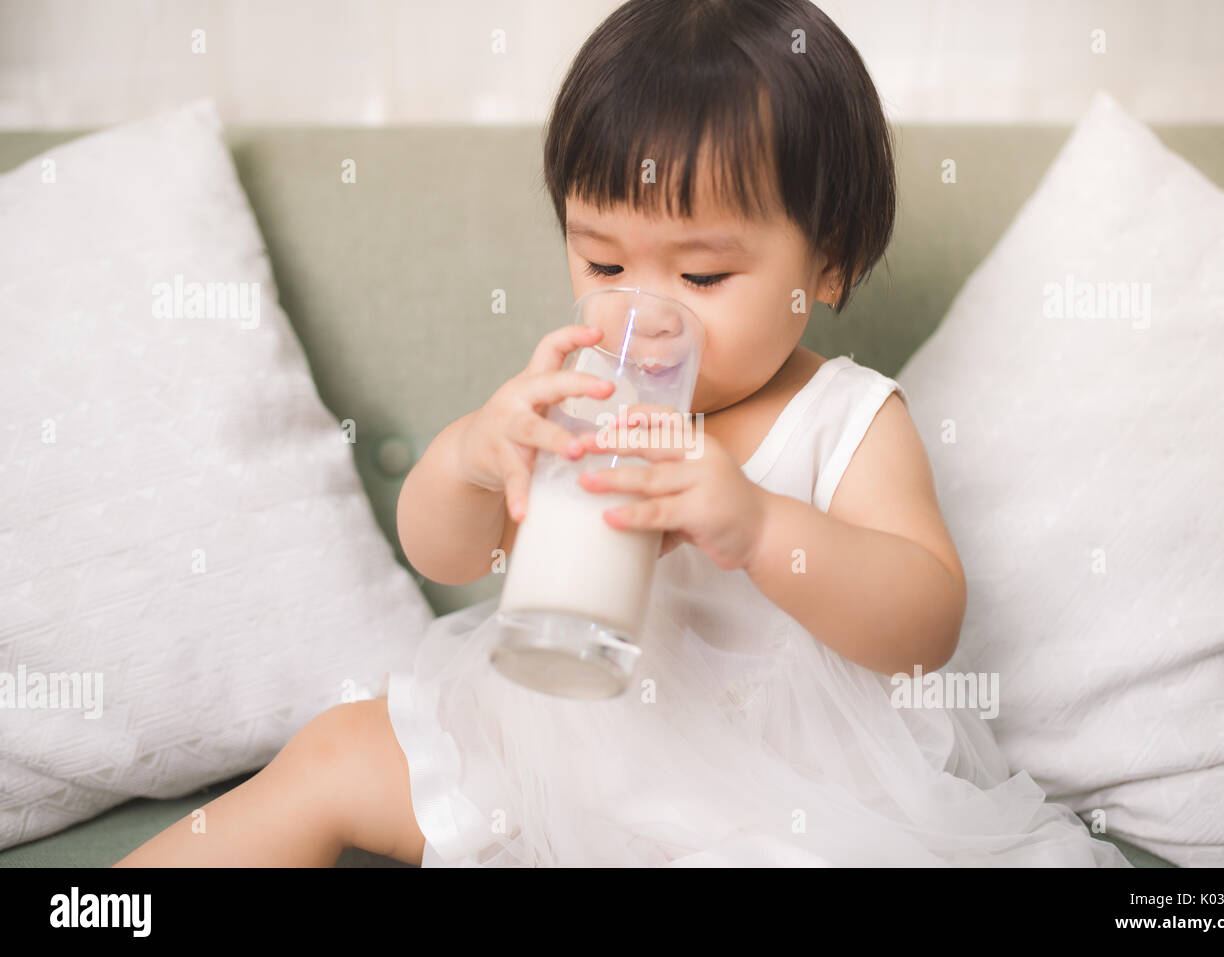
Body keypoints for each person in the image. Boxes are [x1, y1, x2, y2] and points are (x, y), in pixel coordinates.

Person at [116, 0, 1130, 868]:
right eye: (602, 263)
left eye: (699, 277)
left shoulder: (846, 419)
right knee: (337, 752)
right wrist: (475, 458)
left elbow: (922, 621)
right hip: (572, 736)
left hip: (772, 789)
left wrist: (757, 524)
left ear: (827, 263)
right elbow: (446, 551)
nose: (645, 313)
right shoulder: (580, 391)